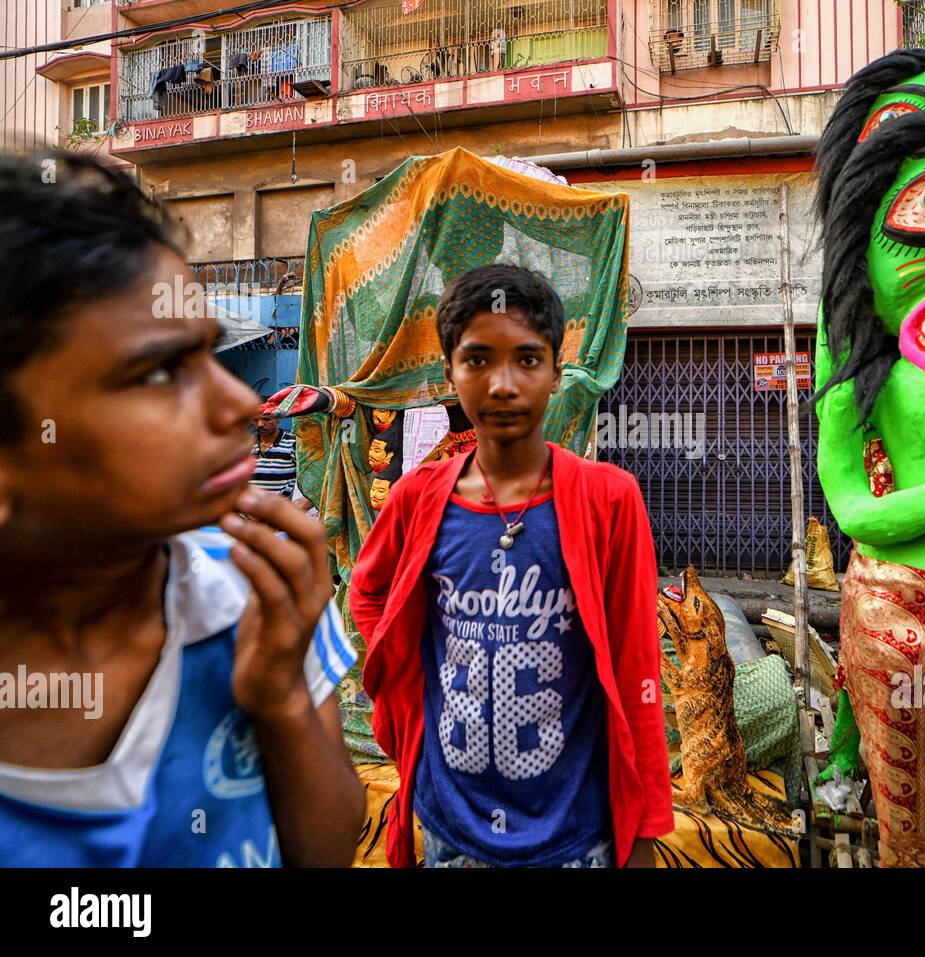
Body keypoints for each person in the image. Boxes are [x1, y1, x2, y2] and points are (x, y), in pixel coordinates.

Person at [0, 151, 364, 867]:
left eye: (209, 357)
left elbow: (326, 849)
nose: (236, 405)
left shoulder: (253, 593)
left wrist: (282, 697)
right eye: (161, 372)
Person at [349, 263, 673, 868]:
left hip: (576, 834)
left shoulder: (610, 500)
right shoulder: (418, 498)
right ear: (449, 372)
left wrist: (646, 829)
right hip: (451, 827)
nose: (502, 384)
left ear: (555, 371)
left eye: (527, 359)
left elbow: (637, 669)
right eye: (478, 360)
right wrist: (411, 674)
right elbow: (368, 594)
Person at [250, 404, 299, 499]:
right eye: (255, 420)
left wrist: (302, 505)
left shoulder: (293, 444)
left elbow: (317, 480)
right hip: (246, 511)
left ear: (278, 419)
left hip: (279, 511)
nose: (260, 424)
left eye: (266, 419)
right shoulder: (245, 446)